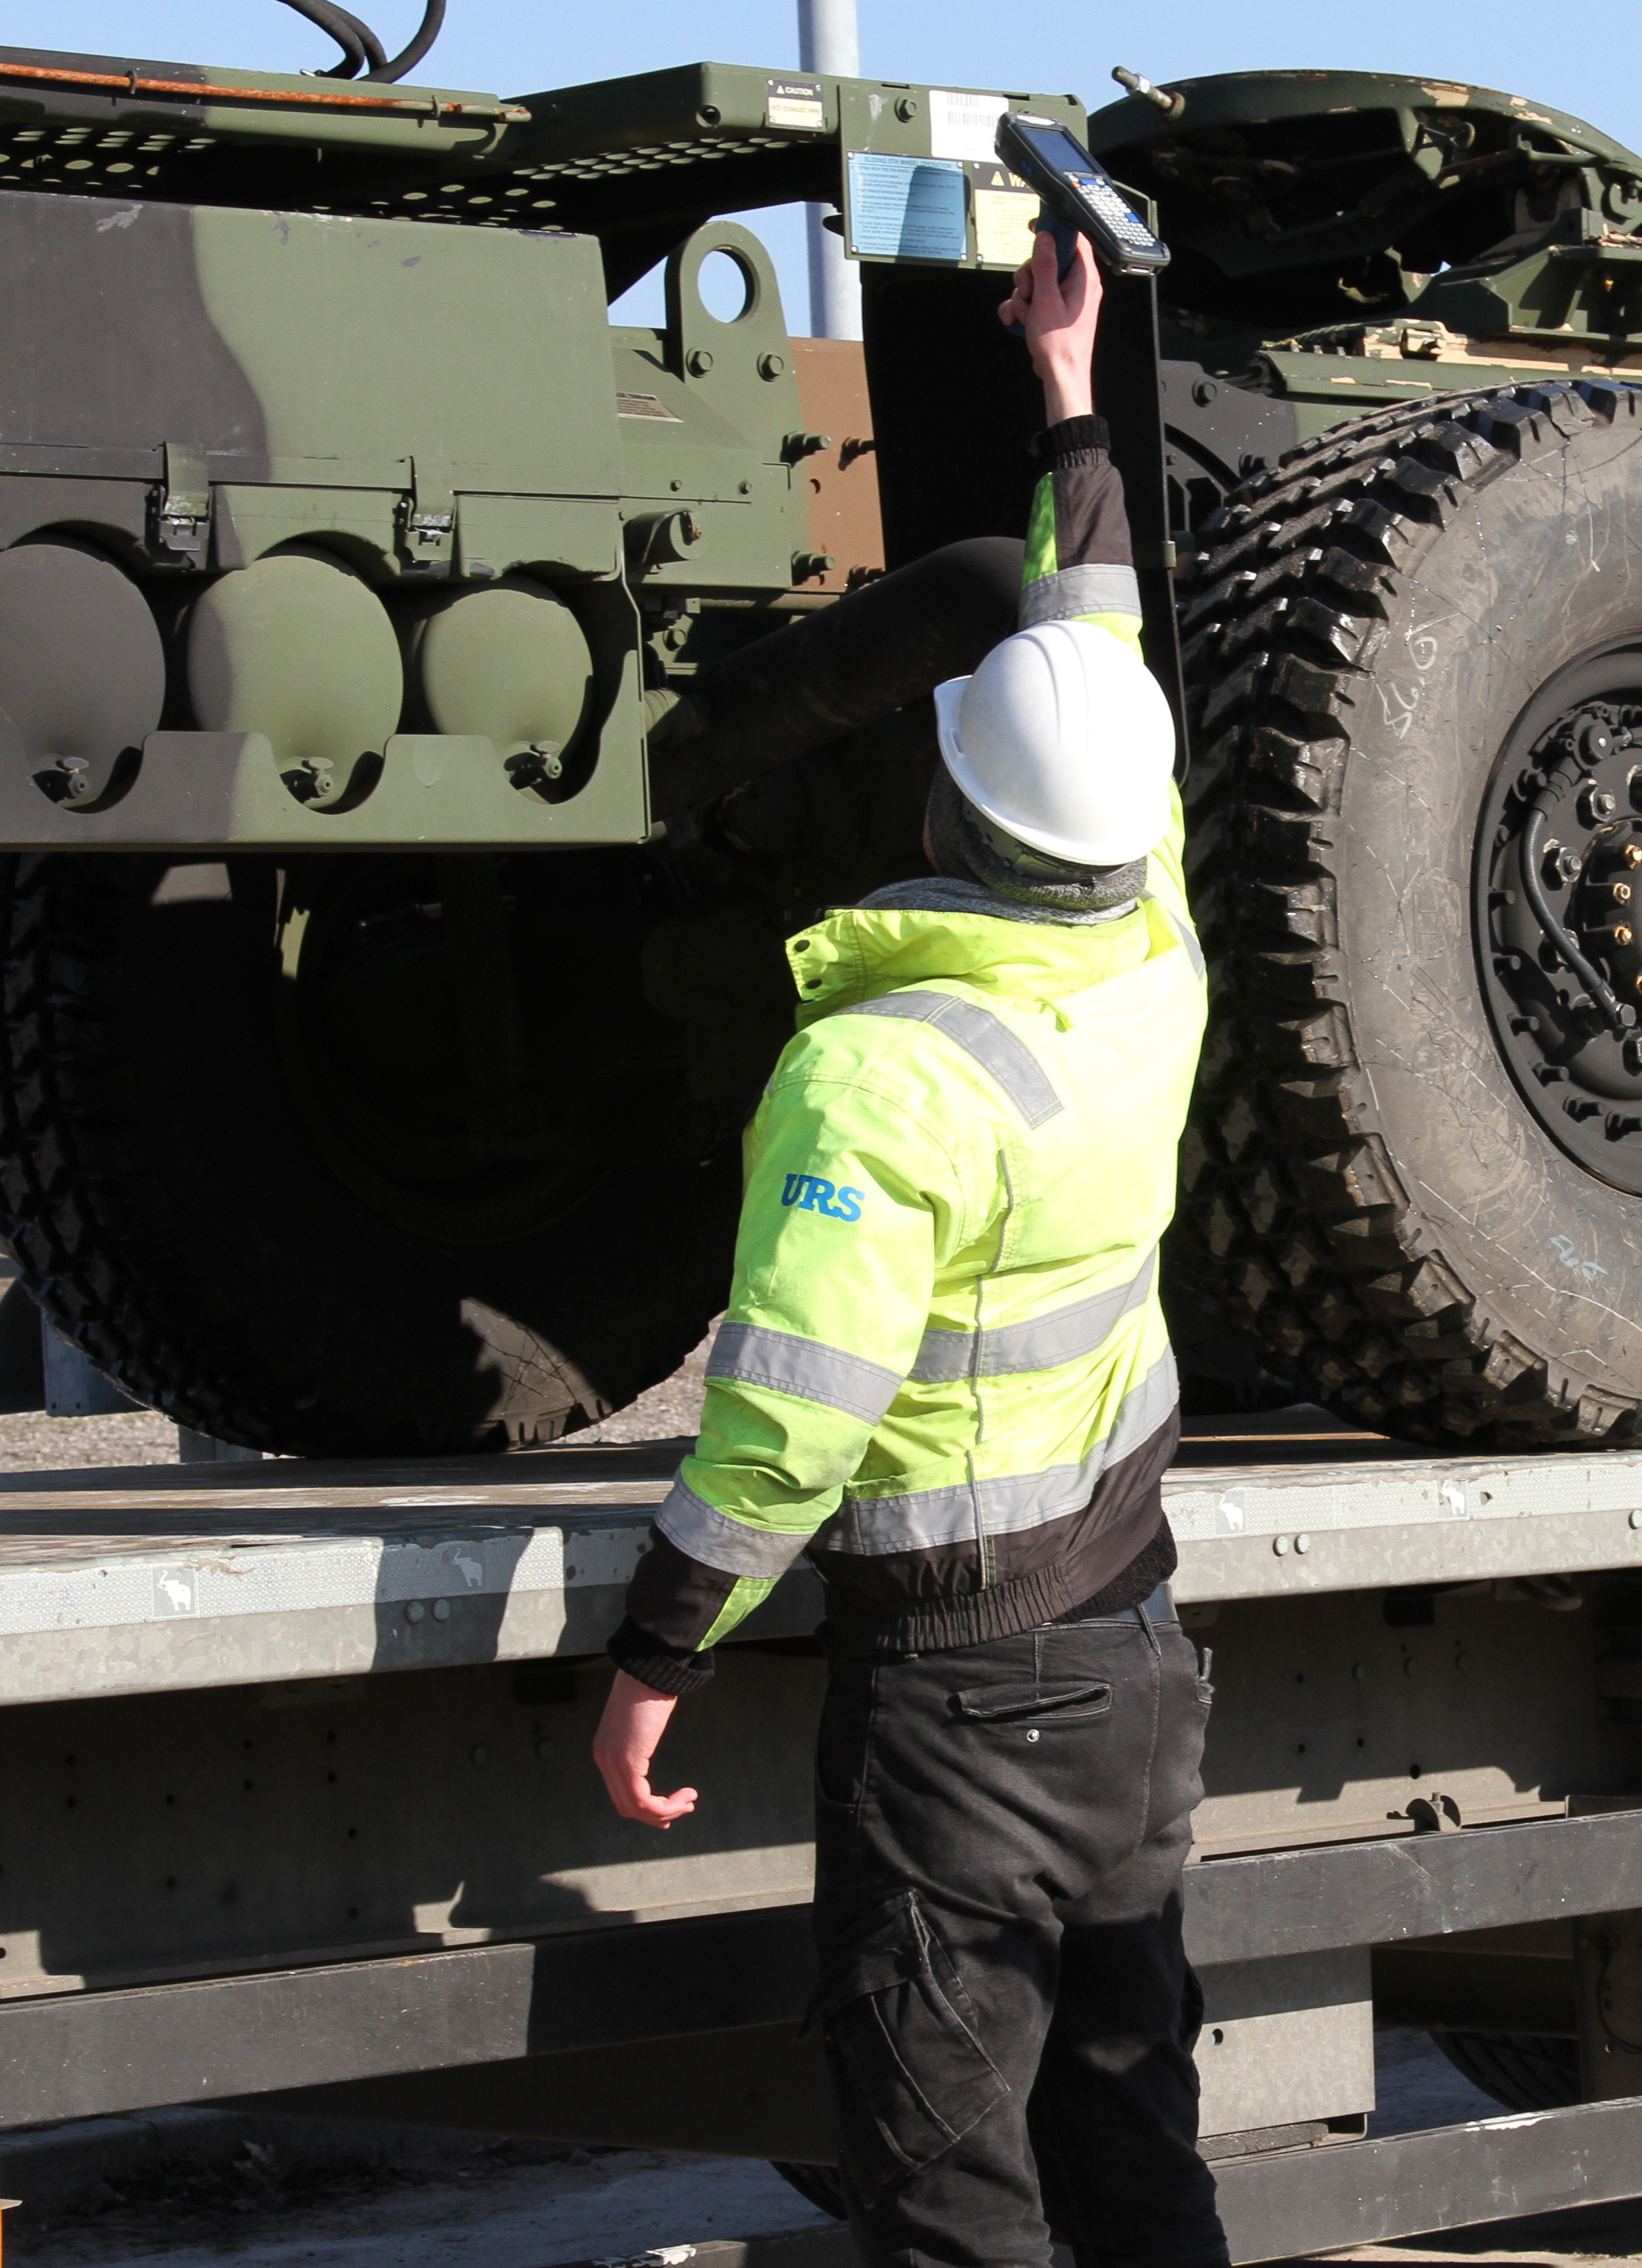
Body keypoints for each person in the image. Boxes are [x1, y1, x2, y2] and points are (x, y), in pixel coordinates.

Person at [588, 232, 1225, 2268]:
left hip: (957, 1702)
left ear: (937, 794)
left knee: (951, 2188)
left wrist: (656, 1655)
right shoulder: (1157, 945)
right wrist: (1070, 393)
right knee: (1137, 2149)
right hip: (1132, 1651)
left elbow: (789, 1425)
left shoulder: (880, 1076)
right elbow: (1098, 645)